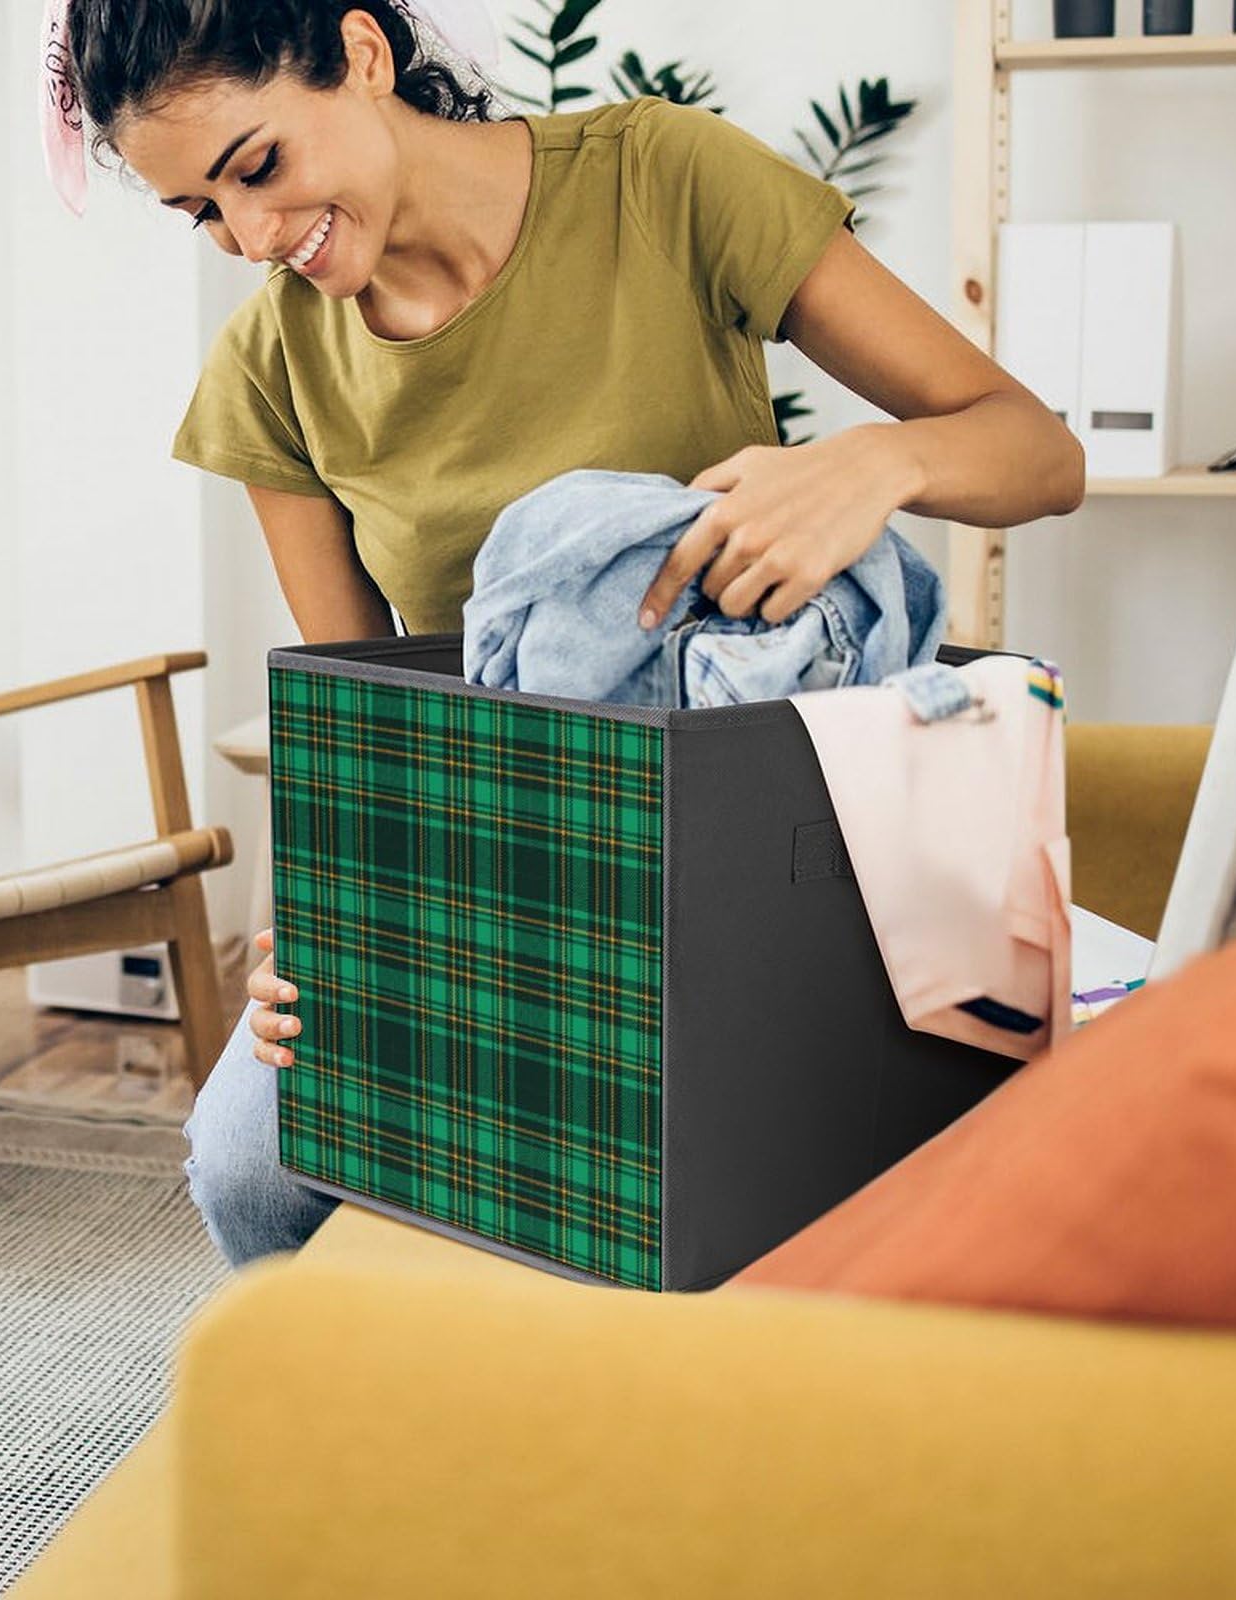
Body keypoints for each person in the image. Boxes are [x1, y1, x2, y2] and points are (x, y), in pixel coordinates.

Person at [56, 0, 1084, 1267]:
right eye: (200, 212)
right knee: (250, 1165)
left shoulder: (663, 180)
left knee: (703, 1180)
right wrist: (323, 930)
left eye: (258, 167)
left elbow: (1041, 455)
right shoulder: (272, 365)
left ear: (363, 57)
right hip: (510, 872)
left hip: (763, 835)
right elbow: (363, 725)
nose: (253, 237)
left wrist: (877, 463)